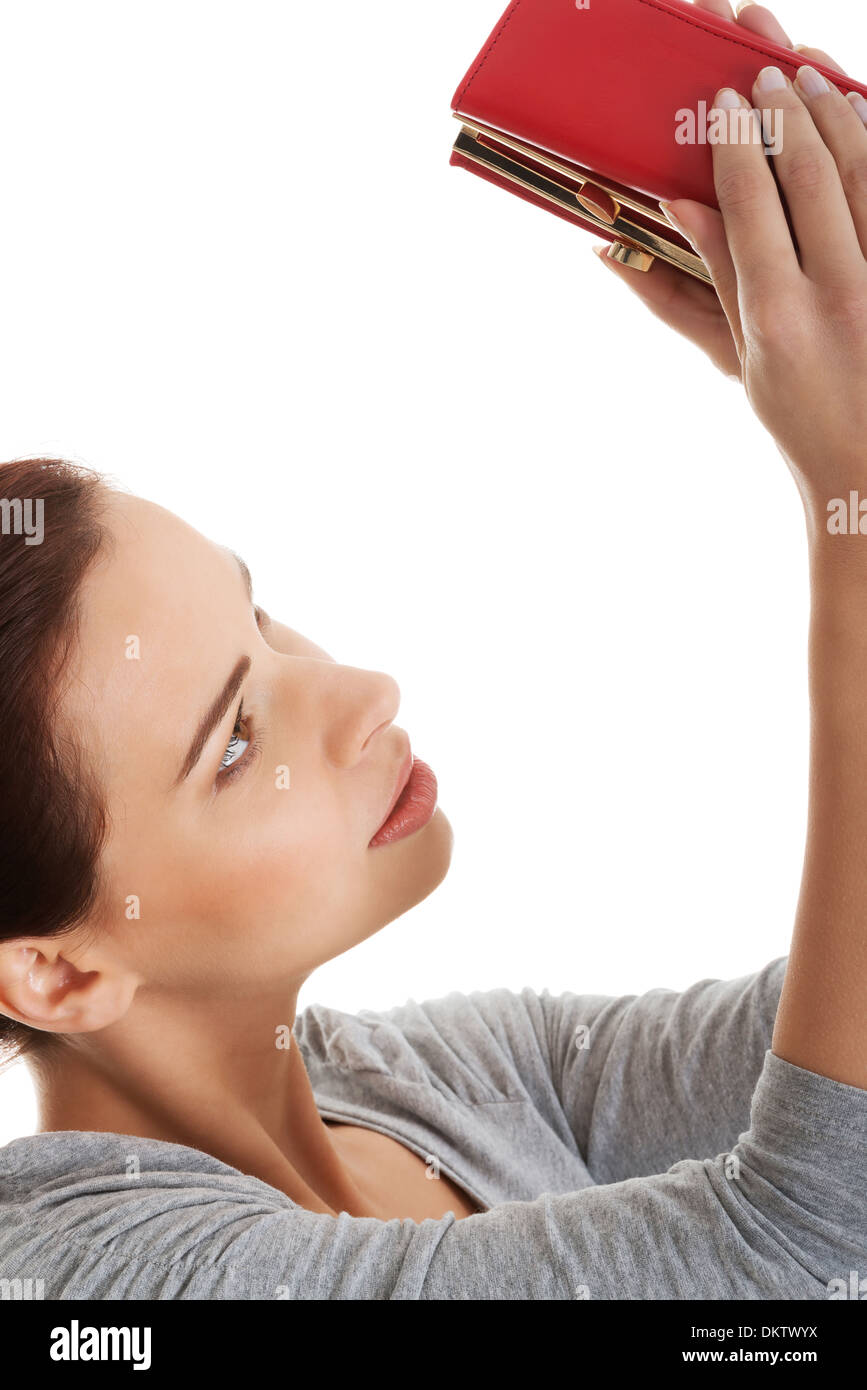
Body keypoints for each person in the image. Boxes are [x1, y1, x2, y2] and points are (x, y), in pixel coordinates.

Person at [0, 0, 864, 1298]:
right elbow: (803, 1244)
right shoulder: (97, 1277)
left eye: (262, 616)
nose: (362, 692)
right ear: (60, 968)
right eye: (235, 740)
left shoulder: (428, 1082)